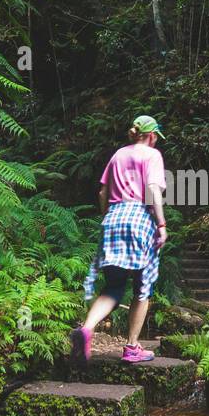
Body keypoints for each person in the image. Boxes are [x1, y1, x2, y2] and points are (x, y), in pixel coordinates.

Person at [70, 114, 168, 364]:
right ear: (152, 135)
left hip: (112, 218)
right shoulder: (152, 155)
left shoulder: (118, 155)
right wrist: (161, 223)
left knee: (114, 286)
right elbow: (153, 190)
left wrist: (109, 216)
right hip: (139, 219)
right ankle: (132, 347)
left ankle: (87, 328)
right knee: (142, 286)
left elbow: (102, 191)